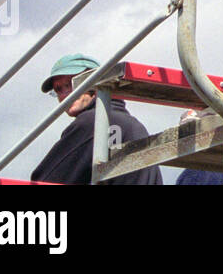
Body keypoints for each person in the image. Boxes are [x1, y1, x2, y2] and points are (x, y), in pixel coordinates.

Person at [31, 53, 162, 185]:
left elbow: (45, 179)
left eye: (71, 84)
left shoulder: (91, 122)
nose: (65, 94)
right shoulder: (131, 123)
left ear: (95, 83)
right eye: (58, 89)